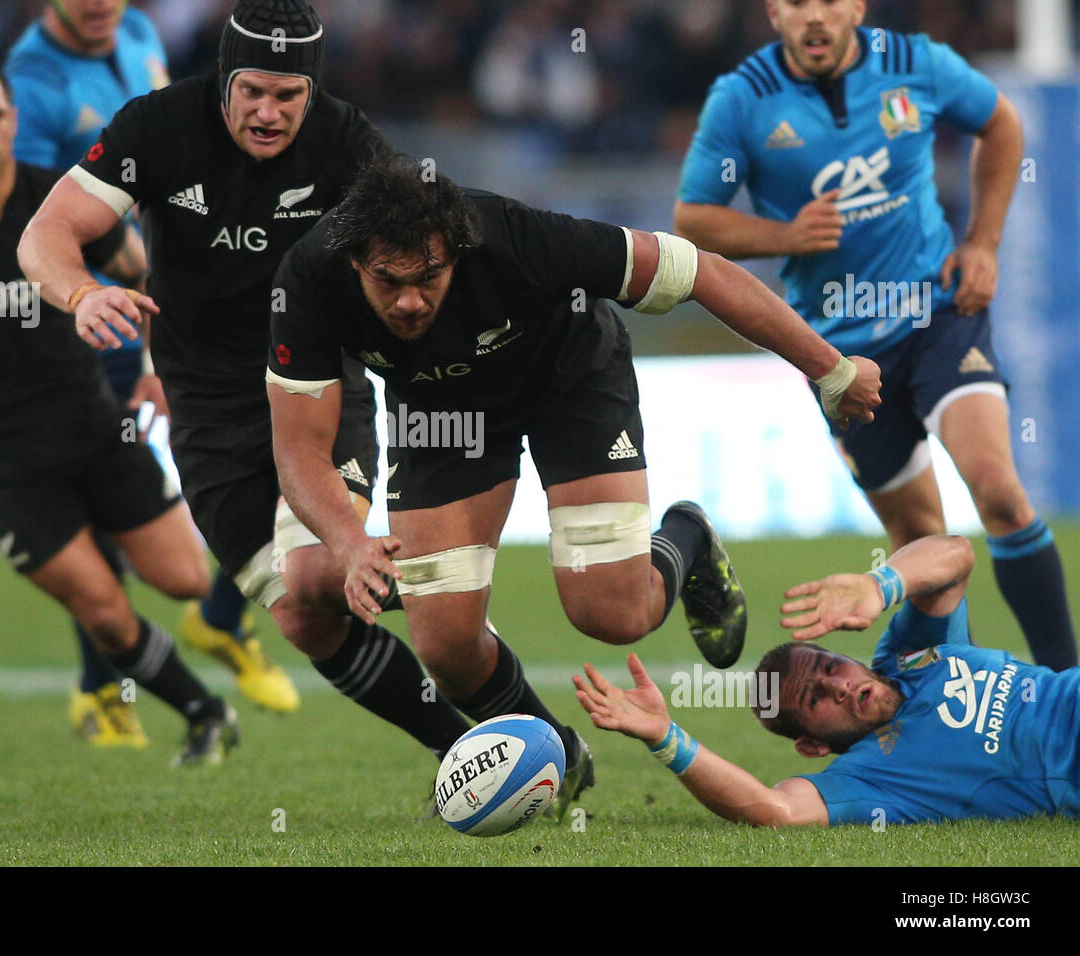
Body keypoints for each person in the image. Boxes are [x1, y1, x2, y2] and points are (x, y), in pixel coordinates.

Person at [263, 154, 883, 816]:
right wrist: (351, 541)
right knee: (443, 646)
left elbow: (700, 271)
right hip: (441, 417)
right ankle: (555, 749)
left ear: (457, 248)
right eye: (389, 282)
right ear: (355, 260)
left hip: (572, 383)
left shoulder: (522, 240)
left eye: (431, 277)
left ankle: (687, 540)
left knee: (612, 615)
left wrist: (830, 369)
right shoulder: (309, 278)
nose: (410, 299)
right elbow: (298, 445)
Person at [18, 0, 480, 788]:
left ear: (312, 92)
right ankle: (466, 741)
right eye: (253, 92)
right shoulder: (157, 127)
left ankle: (503, 726)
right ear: (225, 79)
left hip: (318, 385)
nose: (268, 112)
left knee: (319, 579)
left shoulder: (349, 145)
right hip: (204, 410)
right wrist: (81, 294)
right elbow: (45, 234)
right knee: (303, 617)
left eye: (288, 96)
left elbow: (425, 246)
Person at [0, 62, 237, 766]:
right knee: (105, 611)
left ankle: (105, 550)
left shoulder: (58, 209)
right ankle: (205, 712)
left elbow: (146, 272)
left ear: (13, 122)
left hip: (95, 428)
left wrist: (152, 371)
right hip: (2, 465)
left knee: (188, 578)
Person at [673, 0, 1076, 671]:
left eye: (831, 0)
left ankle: (1069, 693)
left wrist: (984, 243)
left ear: (857, 6)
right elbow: (693, 219)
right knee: (921, 541)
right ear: (775, 12)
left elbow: (1002, 125)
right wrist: (784, 236)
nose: (816, 17)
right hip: (839, 355)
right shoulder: (742, 100)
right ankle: (964, 701)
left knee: (1000, 493)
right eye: (797, 2)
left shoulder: (915, 65)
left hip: (937, 313)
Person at [4, 0, 297, 741]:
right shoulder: (27, 82)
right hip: (87, 313)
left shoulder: (135, 33)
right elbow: (33, 215)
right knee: (99, 491)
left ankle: (223, 620)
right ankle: (100, 686)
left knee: (271, 452)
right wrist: (115, 286)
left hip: (172, 299)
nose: (101, 3)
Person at [576, 533, 1080, 826]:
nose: (837, 685)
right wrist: (668, 740)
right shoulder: (864, 778)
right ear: (813, 745)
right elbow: (774, 809)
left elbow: (956, 558)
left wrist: (877, 585)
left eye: (830, 667)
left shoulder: (907, 653)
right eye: (816, 698)